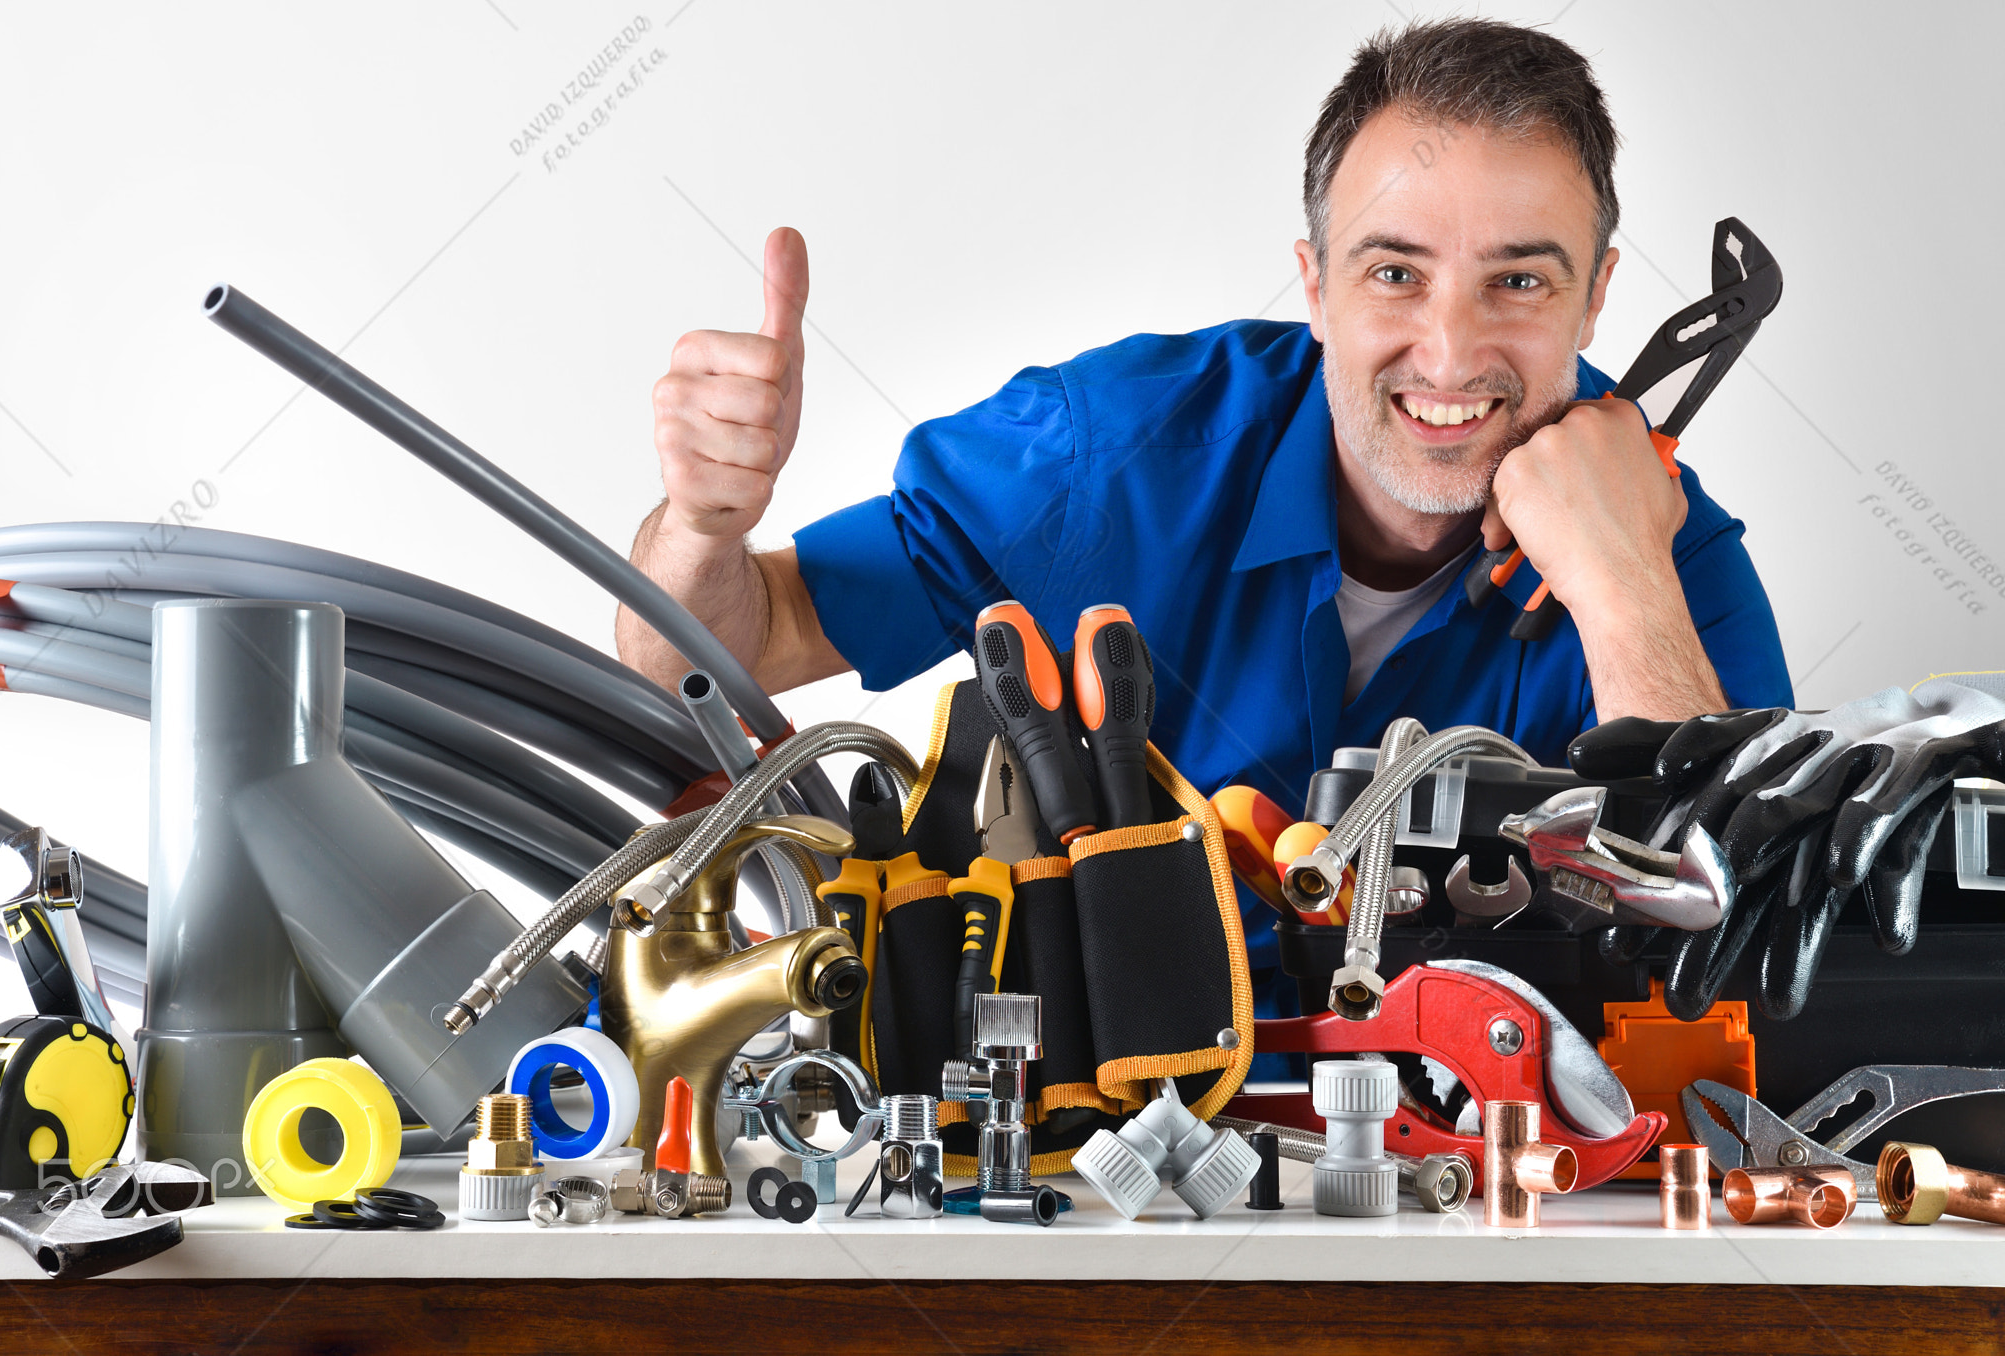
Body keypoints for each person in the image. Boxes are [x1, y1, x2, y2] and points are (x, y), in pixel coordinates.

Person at [617, 18, 1793, 994]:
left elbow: (1746, 962)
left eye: (1518, 281)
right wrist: (698, 530)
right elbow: (711, 660)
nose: (1447, 349)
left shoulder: (1667, 560)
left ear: (1595, 302)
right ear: (1314, 285)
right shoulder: (1111, 457)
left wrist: (1618, 582)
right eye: (1394, 272)